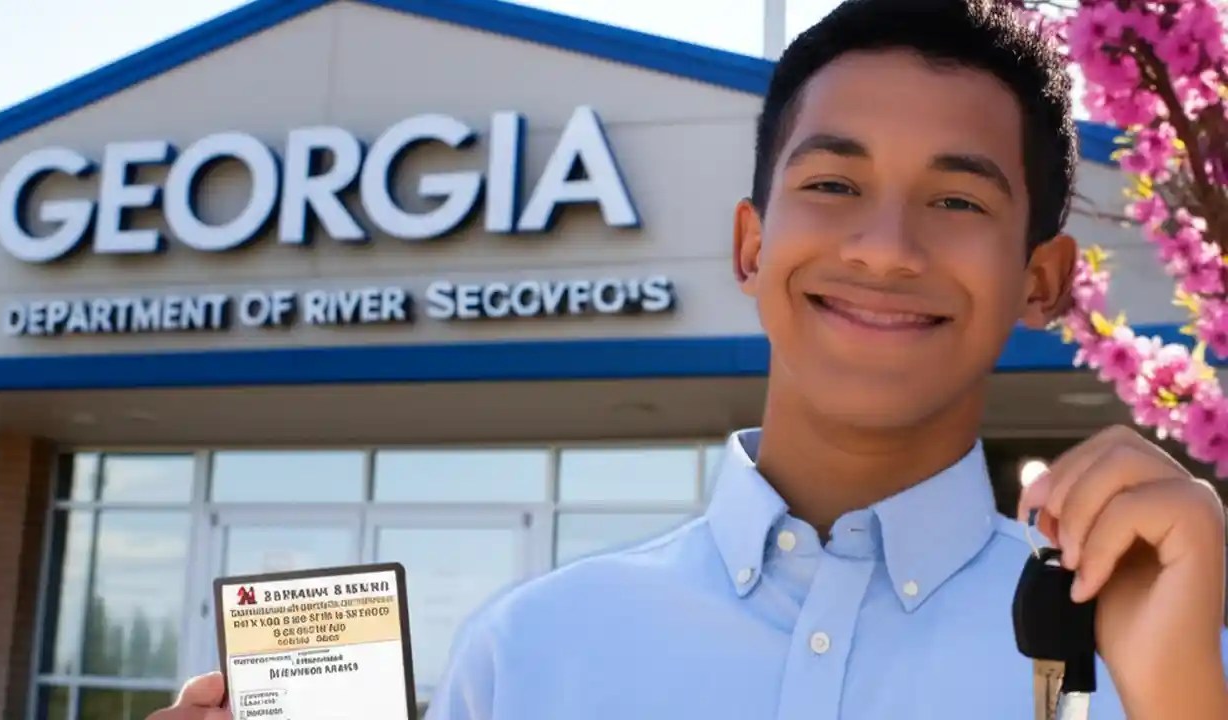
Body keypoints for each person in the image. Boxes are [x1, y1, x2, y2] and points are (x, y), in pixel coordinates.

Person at [152, 0, 1228, 717]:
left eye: (954, 200)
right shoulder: (526, 654)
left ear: (1041, 278)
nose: (882, 249)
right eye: (833, 185)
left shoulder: (1166, 662)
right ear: (750, 246)